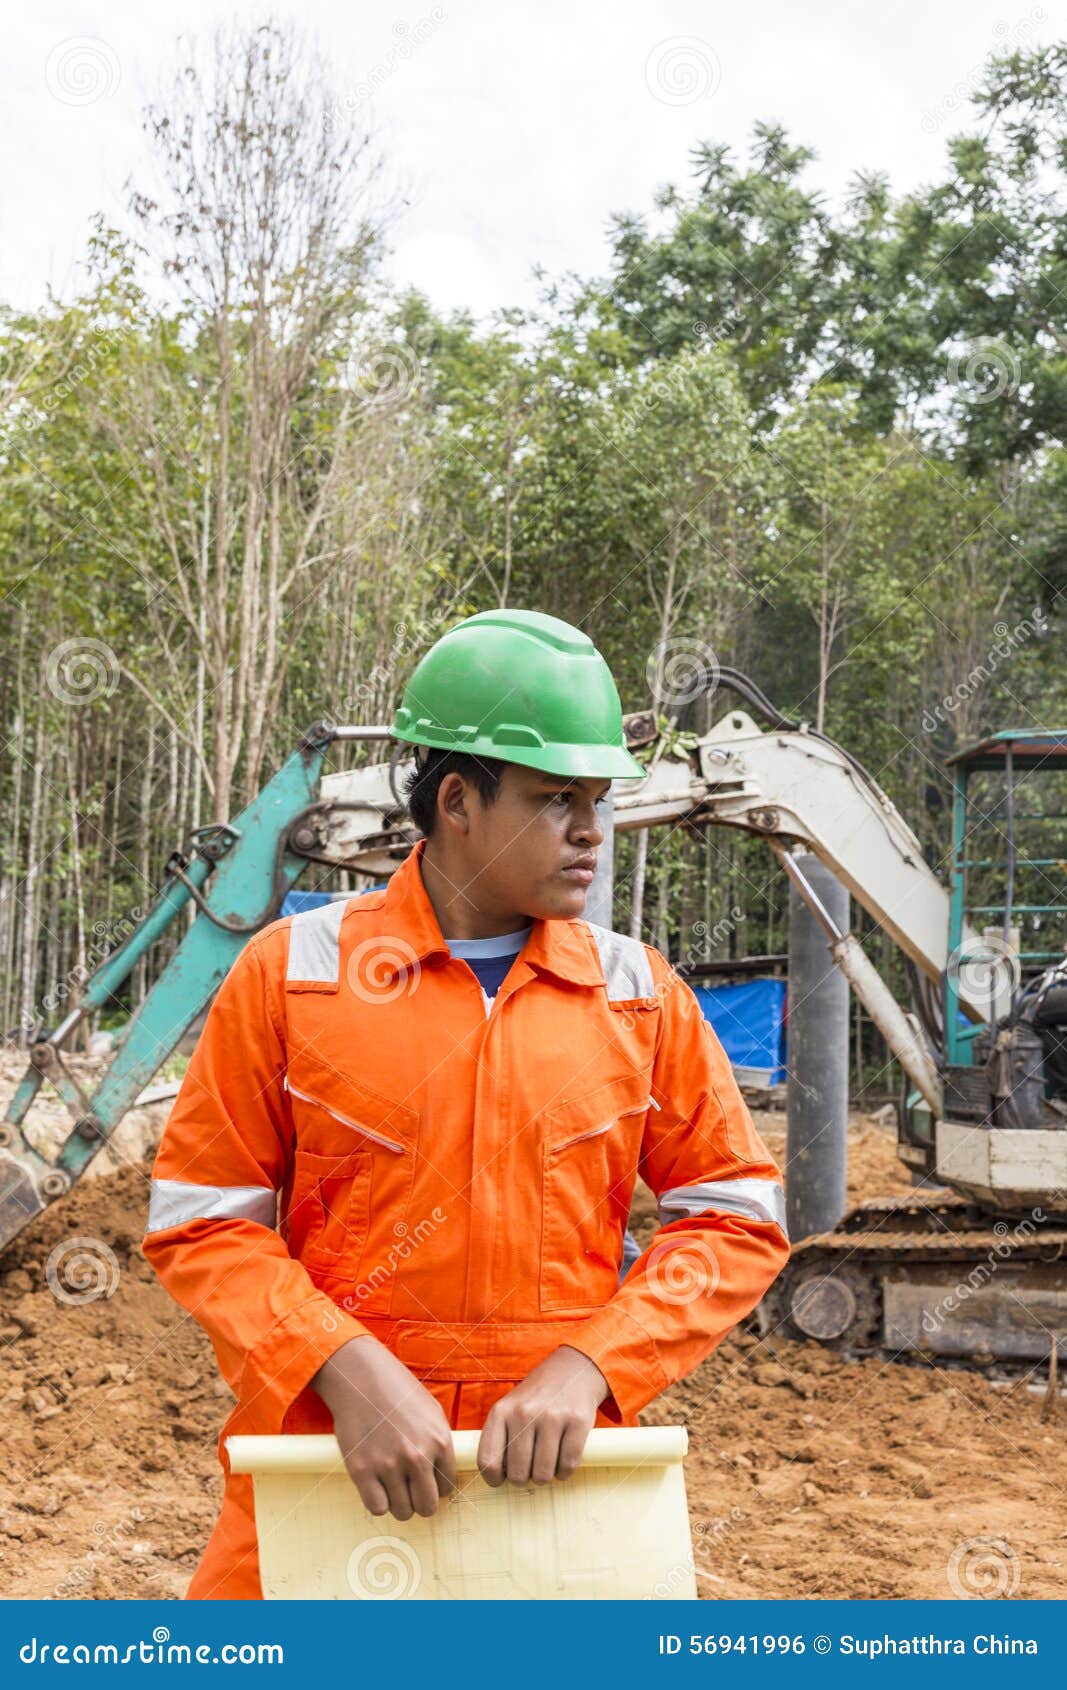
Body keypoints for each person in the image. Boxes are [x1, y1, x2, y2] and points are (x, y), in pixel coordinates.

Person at [142, 607, 790, 1599]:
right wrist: (342, 1368)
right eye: (553, 798)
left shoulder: (635, 994)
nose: (589, 831)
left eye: (596, 800)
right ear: (456, 800)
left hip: (558, 1494)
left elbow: (734, 1216)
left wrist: (591, 1365)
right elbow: (201, 1222)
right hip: (326, 1478)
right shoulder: (295, 977)